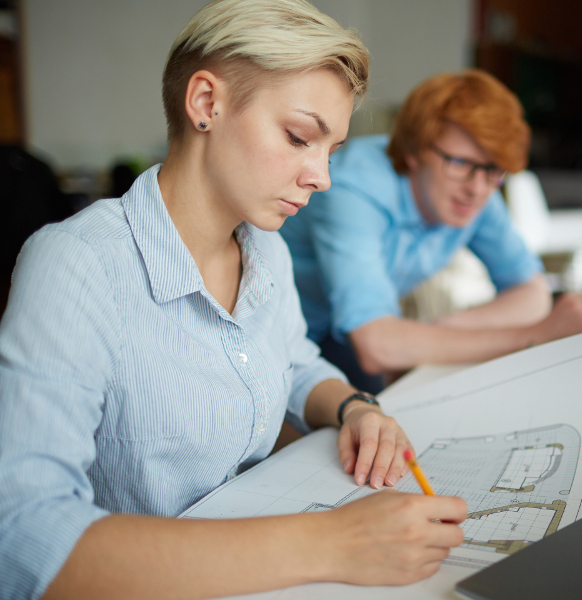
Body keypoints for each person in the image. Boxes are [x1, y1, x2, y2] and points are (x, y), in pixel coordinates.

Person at [0, 2, 467, 599]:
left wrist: (356, 409)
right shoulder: (78, 264)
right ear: (205, 104)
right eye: (300, 137)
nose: (321, 176)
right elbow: (22, 537)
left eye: (331, 151)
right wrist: (331, 544)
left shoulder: (264, 249)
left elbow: (292, 361)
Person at [280, 70, 582, 394]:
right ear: (413, 152)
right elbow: (376, 345)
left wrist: (445, 330)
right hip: (278, 334)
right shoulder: (353, 187)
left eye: (494, 169)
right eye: (460, 163)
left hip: (343, 332)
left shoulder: (476, 186)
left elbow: (531, 291)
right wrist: (537, 335)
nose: (477, 190)